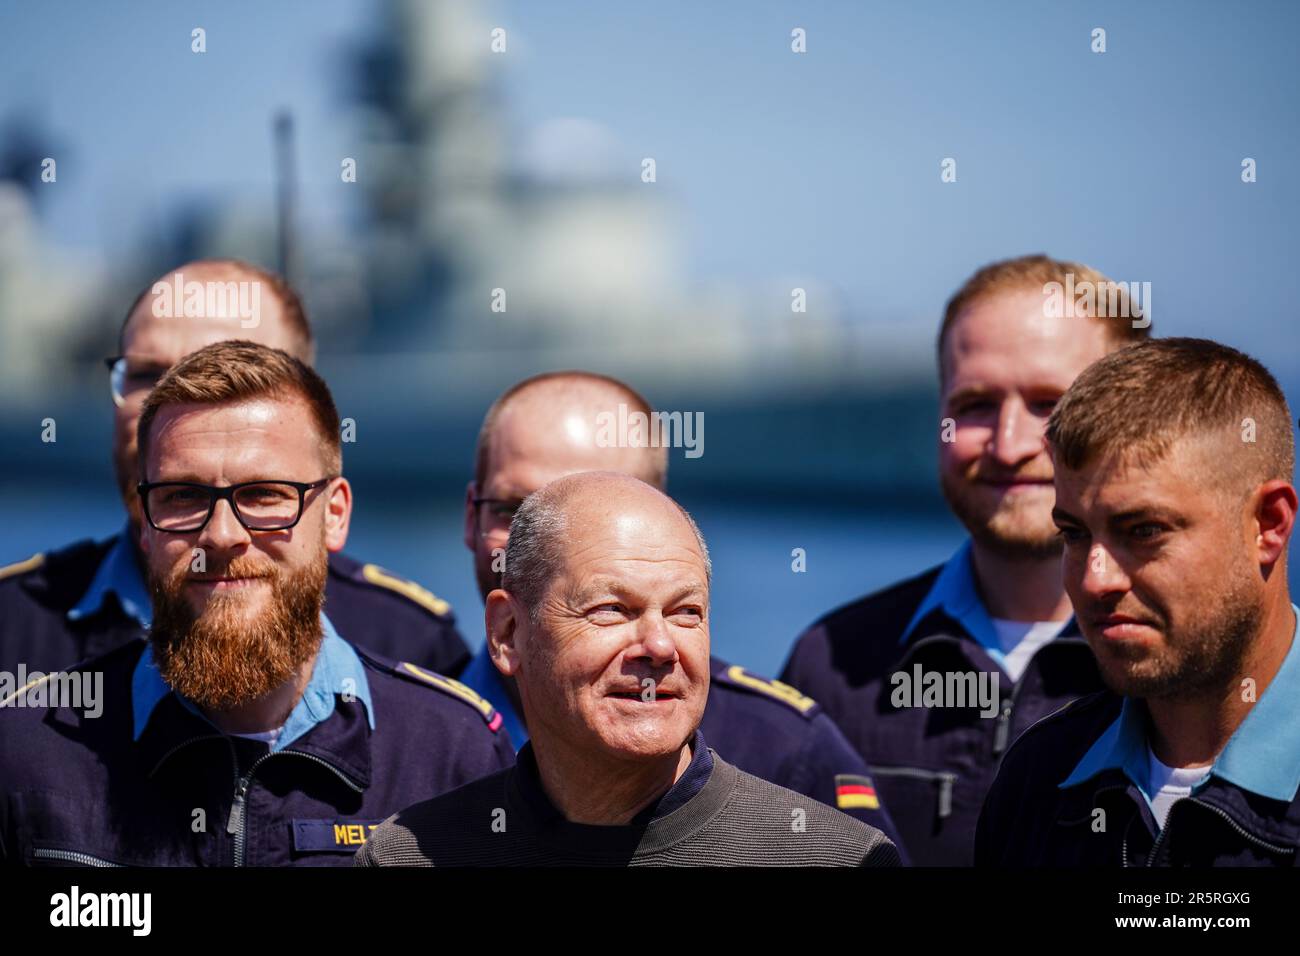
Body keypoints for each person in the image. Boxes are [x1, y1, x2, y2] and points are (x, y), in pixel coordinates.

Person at [0, 342, 512, 866]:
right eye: (182, 496)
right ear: (144, 524)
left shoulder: (454, 757)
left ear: (334, 515)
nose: (222, 536)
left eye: (265, 494)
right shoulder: (25, 753)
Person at [781, 254, 1150, 864]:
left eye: (1050, 403)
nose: (1009, 445)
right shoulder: (834, 664)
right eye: (975, 404)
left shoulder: (1188, 673)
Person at [456, 371, 906, 850]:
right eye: (515, 509)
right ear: (471, 515)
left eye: (603, 510)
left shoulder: (784, 752)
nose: (553, 541)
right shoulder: (400, 737)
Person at [358, 472, 899, 866]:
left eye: (686, 613)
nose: (660, 645)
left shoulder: (837, 860)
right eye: (612, 610)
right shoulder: (410, 856)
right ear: (507, 634)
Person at [0, 259, 468, 677]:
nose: (167, 410)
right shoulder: (11, 626)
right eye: (144, 375)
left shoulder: (410, 643)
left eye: (224, 374)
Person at [976, 338, 1298, 866]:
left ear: (1268, 525)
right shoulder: (1037, 779)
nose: (1095, 580)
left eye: (1144, 530)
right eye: (1074, 534)